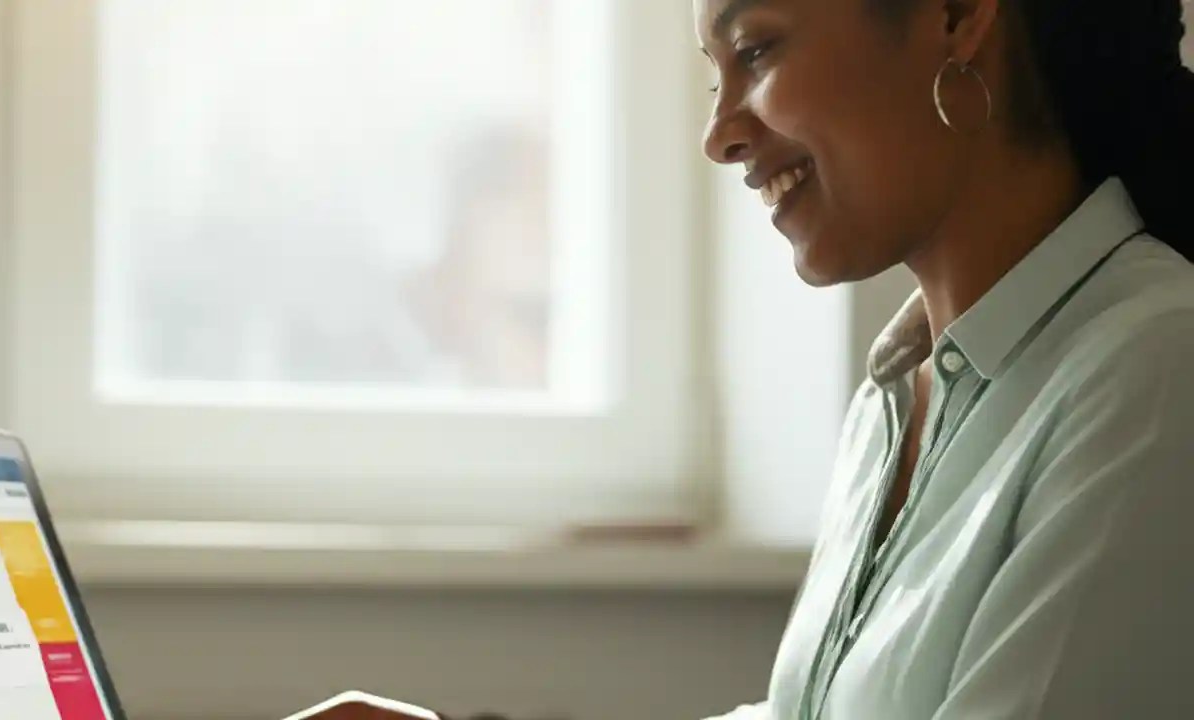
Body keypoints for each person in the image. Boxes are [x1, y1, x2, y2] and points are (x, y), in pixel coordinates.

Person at [294, 0, 1194, 717]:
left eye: (756, 52)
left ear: (957, 14)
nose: (719, 134)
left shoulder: (1157, 371)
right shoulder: (899, 397)